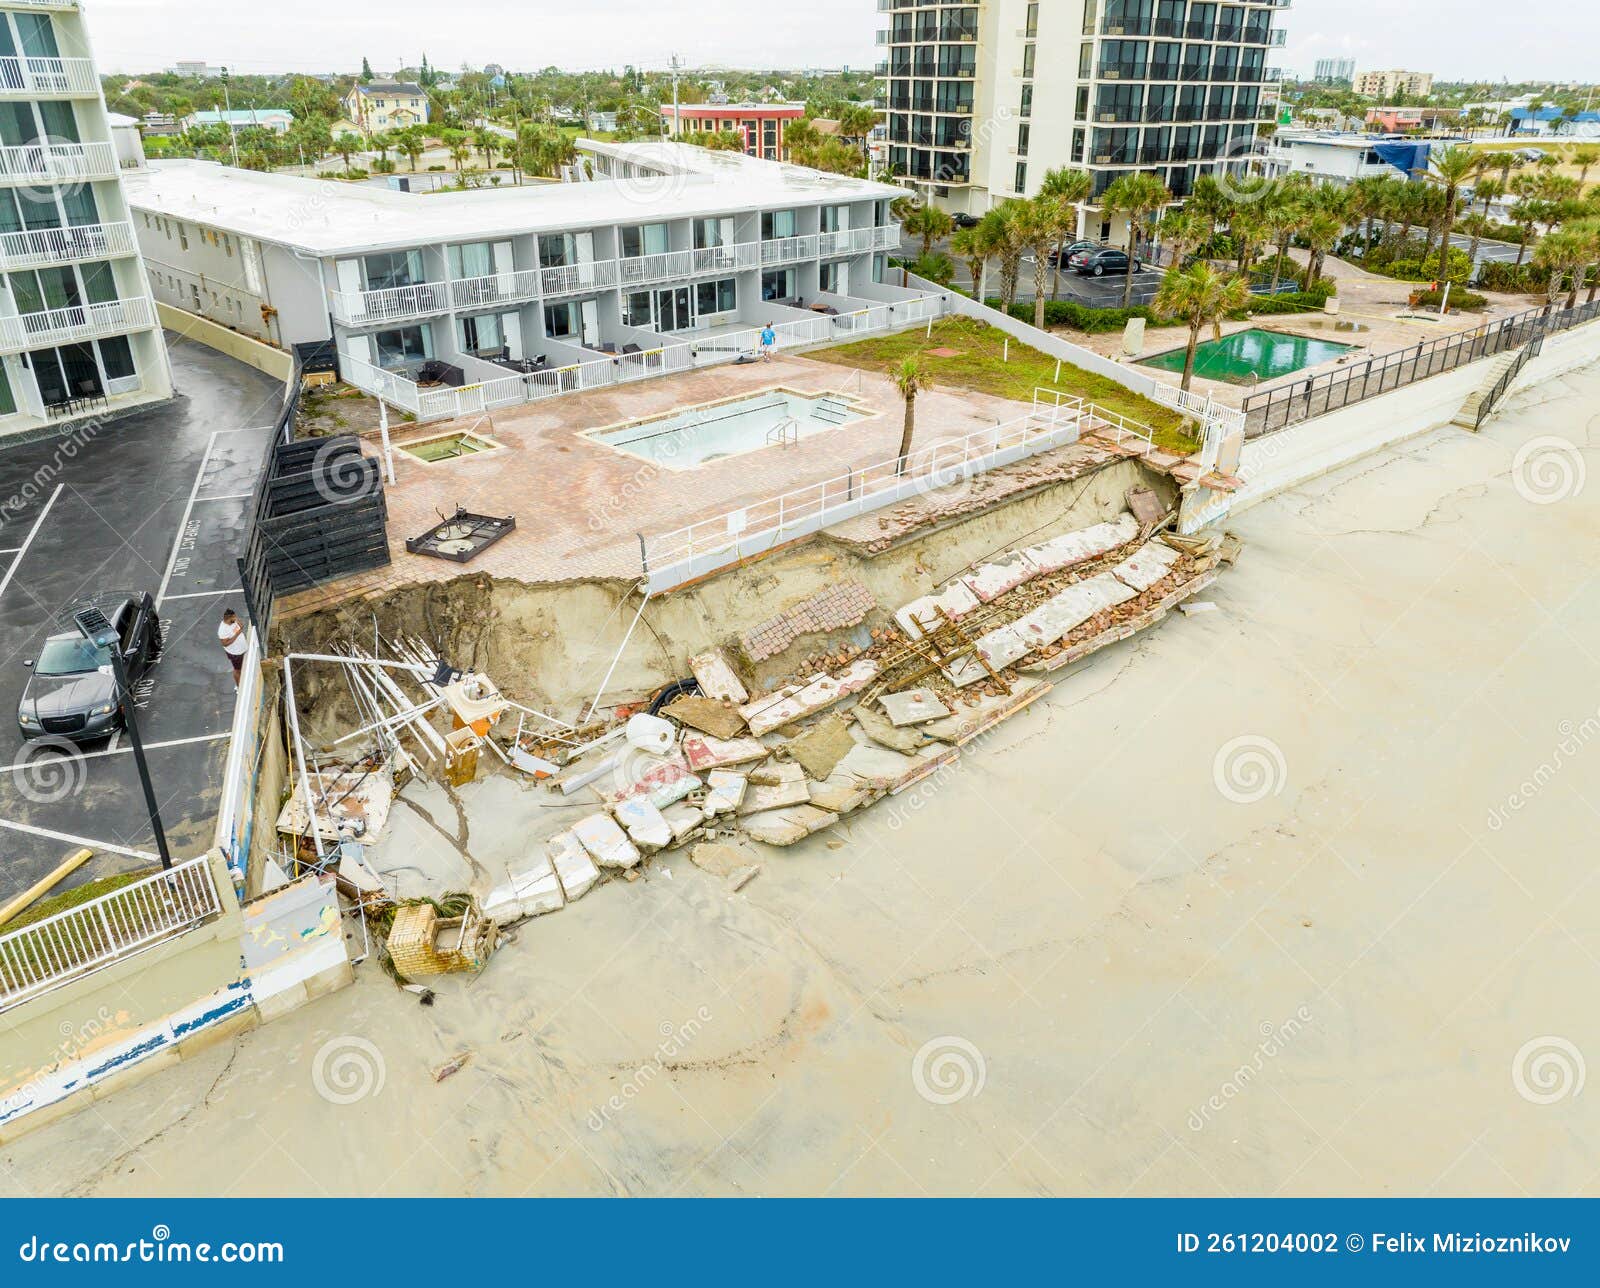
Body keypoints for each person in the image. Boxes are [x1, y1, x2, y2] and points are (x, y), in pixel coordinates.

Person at [218, 608, 248, 688]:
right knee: (237, 670)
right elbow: (225, 644)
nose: (236, 618)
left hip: (242, 649)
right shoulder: (222, 630)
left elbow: (241, 627)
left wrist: (239, 623)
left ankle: (243, 680)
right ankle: (238, 686)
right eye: (234, 617)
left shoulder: (233, 621)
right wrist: (237, 634)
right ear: (228, 619)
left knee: (243, 667)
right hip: (235, 654)